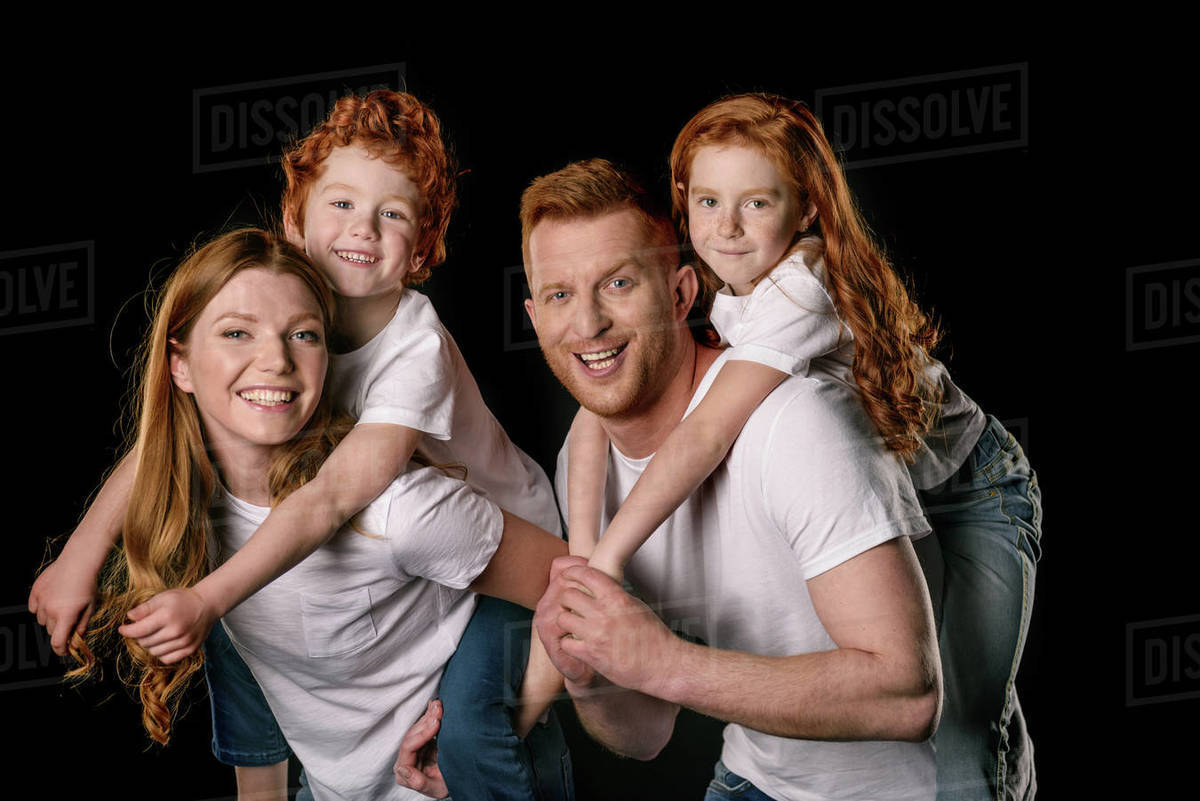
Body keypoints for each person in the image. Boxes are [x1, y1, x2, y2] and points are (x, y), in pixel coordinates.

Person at [30, 91, 570, 801]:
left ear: (425, 246)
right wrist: (80, 552)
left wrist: (206, 599)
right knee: (242, 576)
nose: (362, 230)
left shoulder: (416, 349)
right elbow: (175, 433)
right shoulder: (285, 309)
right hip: (396, 537)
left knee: (470, 731)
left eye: (393, 214)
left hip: (507, 555)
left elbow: (334, 495)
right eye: (341, 204)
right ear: (294, 219)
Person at [568, 93, 1042, 800]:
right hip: (900, 480)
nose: (726, 227)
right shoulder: (731, 281)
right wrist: (581, 554)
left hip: (976, 490)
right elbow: (592, 417)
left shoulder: (799, 286)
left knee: (965, 724)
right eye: (706, 201)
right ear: (683, 200)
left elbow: (706, 429)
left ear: (808, 206)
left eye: (756, 203)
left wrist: (608, 558)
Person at [522, 158, 941, 801]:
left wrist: (666, 661)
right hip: (751, 780)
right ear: (533, 316)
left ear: (683, 294)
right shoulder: (581, 467)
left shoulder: (794, 423)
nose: (587, 325)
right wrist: (586, 671)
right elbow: (646, 732)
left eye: (618, 284)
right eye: (559, 295)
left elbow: (909, 697)